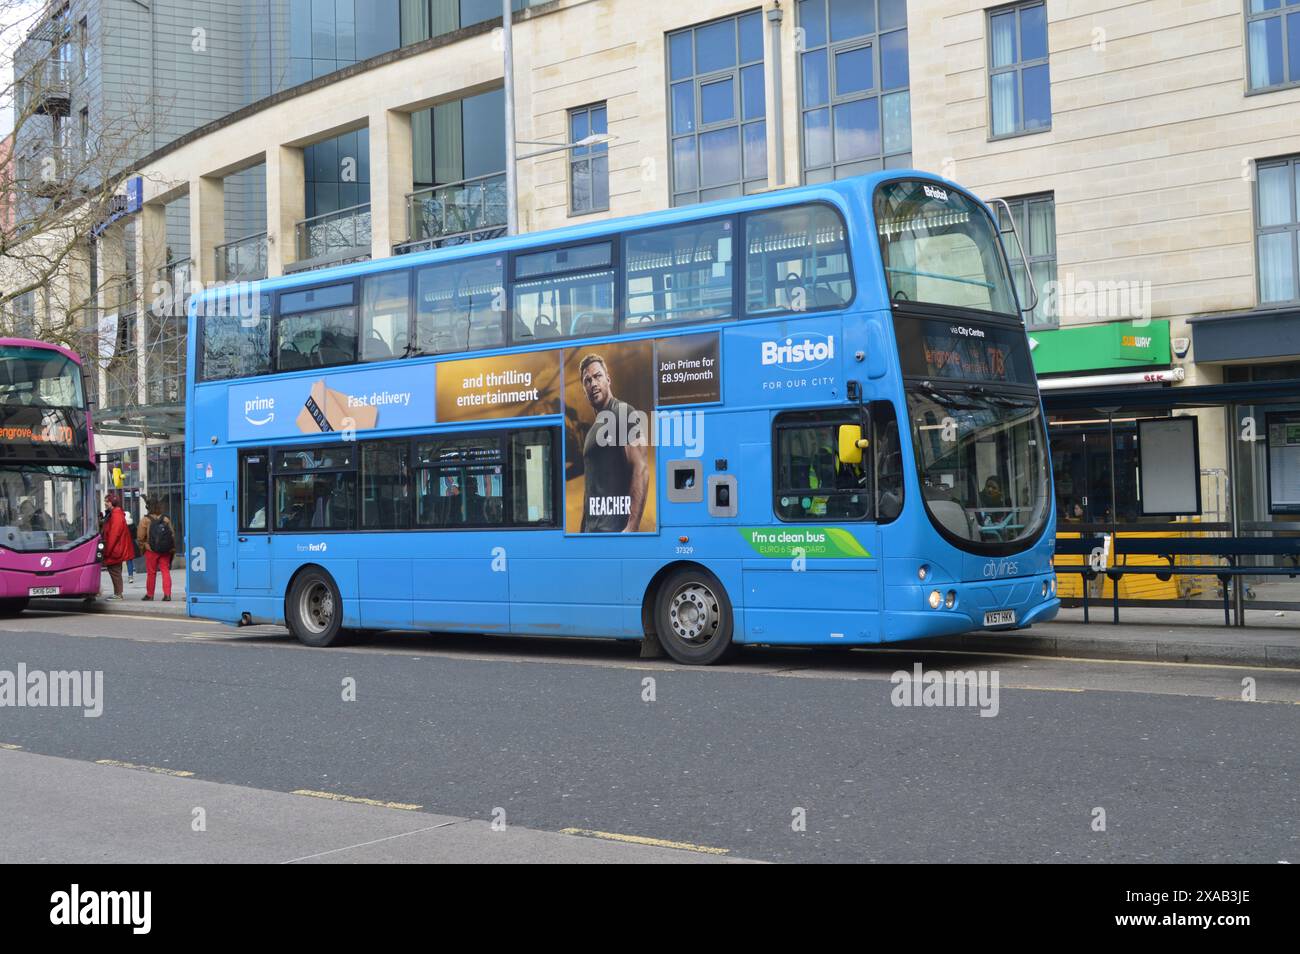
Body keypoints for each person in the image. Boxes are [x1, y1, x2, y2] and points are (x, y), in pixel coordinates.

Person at [578, 353, 648, 533]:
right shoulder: (592, 431)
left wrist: (632, 526)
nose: (593, 383)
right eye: (587, 380)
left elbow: (640, 468)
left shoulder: (623, 412)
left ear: (608, 379)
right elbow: (591, 489)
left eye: (597, 376)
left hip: (613, 533)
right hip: (592, 535)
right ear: (584, 390)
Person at [137, 496, 175, 602]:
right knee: (165, 571)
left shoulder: (145, 520)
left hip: (151, 550)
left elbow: (140, 537)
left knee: (151, 573)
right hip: (165, 550)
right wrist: (171, 548)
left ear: (148, 507)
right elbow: (172, 534)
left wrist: (143, 547)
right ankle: (167, 594)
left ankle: (150, 595)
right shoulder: (166, 519)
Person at [99, 491, 133, 600]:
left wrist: (108, 550)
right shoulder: (114, 514)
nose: (105, 503)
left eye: (107, 501)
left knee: (115, 571)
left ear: (112, 502)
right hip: (115, 548)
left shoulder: (116, 515)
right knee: (114, 571)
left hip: (115, 549)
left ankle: (118, 594)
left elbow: (114, 534)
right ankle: (118, 593)